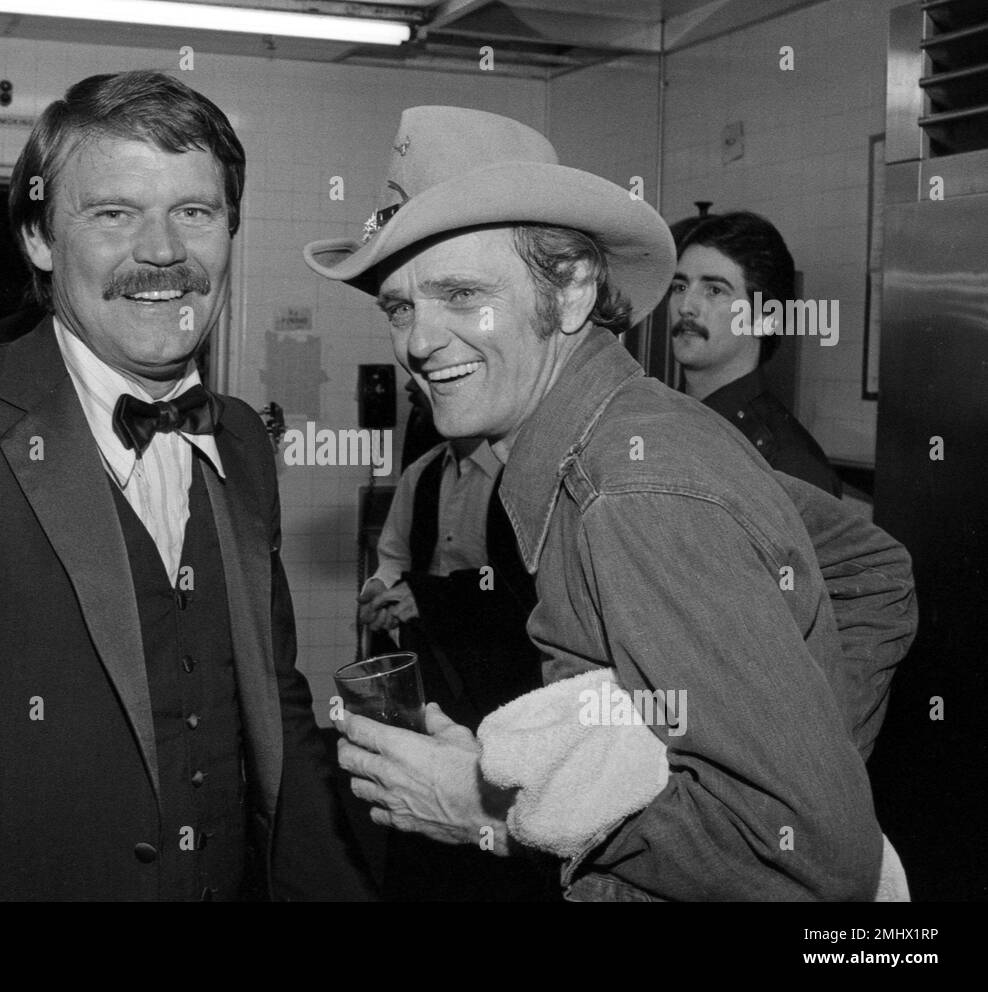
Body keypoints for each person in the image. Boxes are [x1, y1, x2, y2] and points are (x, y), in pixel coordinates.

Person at [0, 70, 372, 901]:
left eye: (194, 212)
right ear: (41, 239)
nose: (163, 252)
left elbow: (273, 710)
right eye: (114, 214)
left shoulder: (240, 443)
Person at [304, 106, 917, 900]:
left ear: (569, 293)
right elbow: (872, 568)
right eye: (399, 305)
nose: (419, 342)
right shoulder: (622, 434)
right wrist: (800, 744)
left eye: (461, 294)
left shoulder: (627, 488)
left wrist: (488, 808)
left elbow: (804, 864)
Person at [358, 434, 543, 899]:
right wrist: (380, 589)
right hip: (435, 669)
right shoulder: (421, 473)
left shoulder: (520, 471)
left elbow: (517, 581)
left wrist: (429, 596)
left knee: (491, 809)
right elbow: (395, 556)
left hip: (505, 676)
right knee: (419, 811)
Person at [669, 210, 841, 496]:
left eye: (714, 290)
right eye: (680, 286)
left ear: (767, 318)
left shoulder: (791, 467)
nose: (686, 305)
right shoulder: (650, 421)